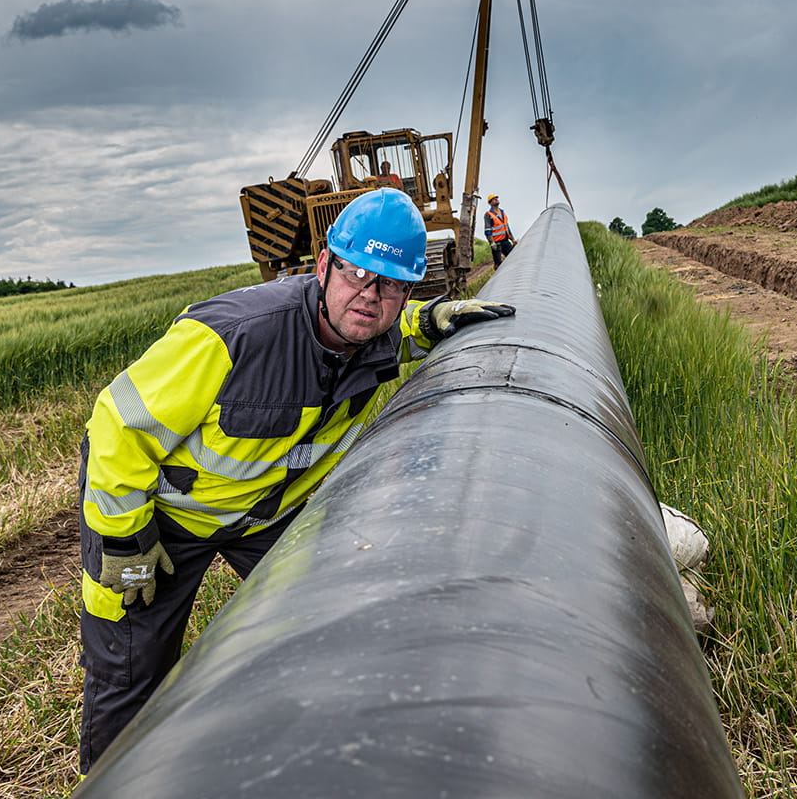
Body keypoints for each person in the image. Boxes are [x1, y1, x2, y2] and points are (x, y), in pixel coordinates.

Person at [76, 188, 514, 774]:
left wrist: (433, 323)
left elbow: (397, 330)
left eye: (391, 285)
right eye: (358, 274)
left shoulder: (376, 333)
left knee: (322, 626)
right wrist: (126, 539)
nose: (370, 295)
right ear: (326, 266)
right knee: (130, 669)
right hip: (163, 520)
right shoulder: (235, 336)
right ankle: (110, 780)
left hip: (263, 518)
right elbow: (118, 426)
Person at [484, 194, 515, 268]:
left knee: (513, 258)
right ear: (490, 203)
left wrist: (513, 239)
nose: (496, 200)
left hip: (505, 241)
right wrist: (492, 242)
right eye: (494, 199)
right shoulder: (488, 214)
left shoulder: (502, 212)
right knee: (498, 264)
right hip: (497, 243)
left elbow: (507, 227)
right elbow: (487, 230)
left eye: (496, 198)